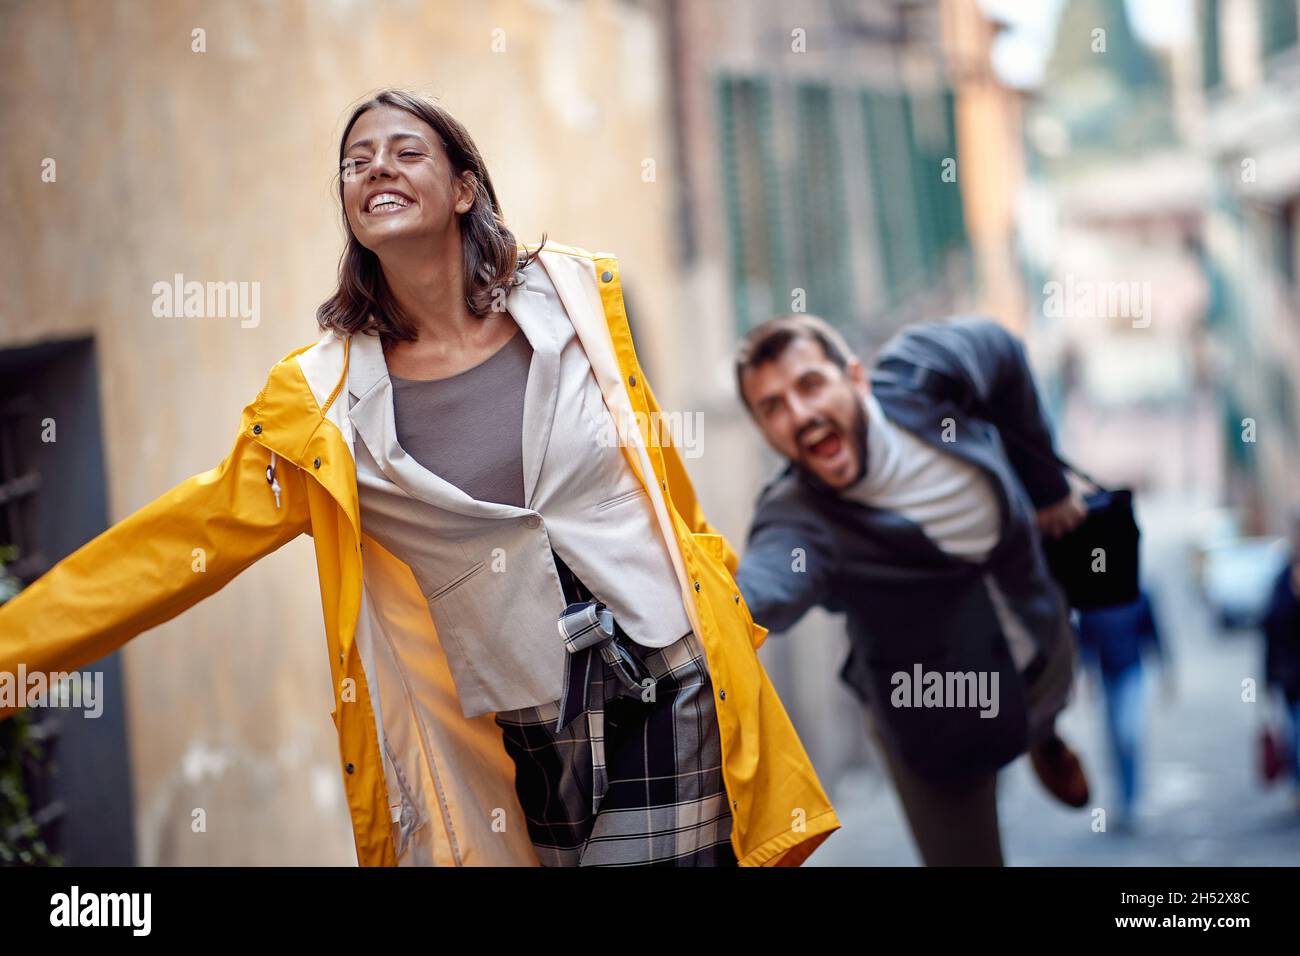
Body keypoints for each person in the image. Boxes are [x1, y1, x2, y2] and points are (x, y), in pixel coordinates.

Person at [0, 89, 840, 867]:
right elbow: (179, 545)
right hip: (527, 731)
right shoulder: (321, 404)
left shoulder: (576, 297)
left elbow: (656, 482)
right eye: (356, 161)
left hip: (669, 677)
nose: (376, 168)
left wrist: (719, 587)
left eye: (406, 151)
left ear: (465, 188)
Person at [733, 312, 1091, 866]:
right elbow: (760, 588)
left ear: (856, 377)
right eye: (772, 408)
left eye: (809, 384)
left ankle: (1043, 738)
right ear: (762, 431)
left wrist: (1047, 488)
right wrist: (703, 609)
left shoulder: (925, 372)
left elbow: (1002, 352)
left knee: (1043, 702)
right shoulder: (797, 519)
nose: (799, 414)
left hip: (1042, 651)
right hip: (935, 721)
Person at [1075, 588, 1171, 831]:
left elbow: (1154, 633)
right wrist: (1086, 675)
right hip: (1107, 677)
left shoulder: (1141, 593)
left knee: (1128, 735)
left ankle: (1130, 800)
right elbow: (1085, 638)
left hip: (1132, 674)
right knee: (1114, 740)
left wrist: (1166, 672)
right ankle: (1122, 798)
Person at [1262, 511, 1300, 808]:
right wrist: (1266, 677)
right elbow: (1271, 628)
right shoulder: (1281, 577)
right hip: (1291, 676)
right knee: (1295, 736)